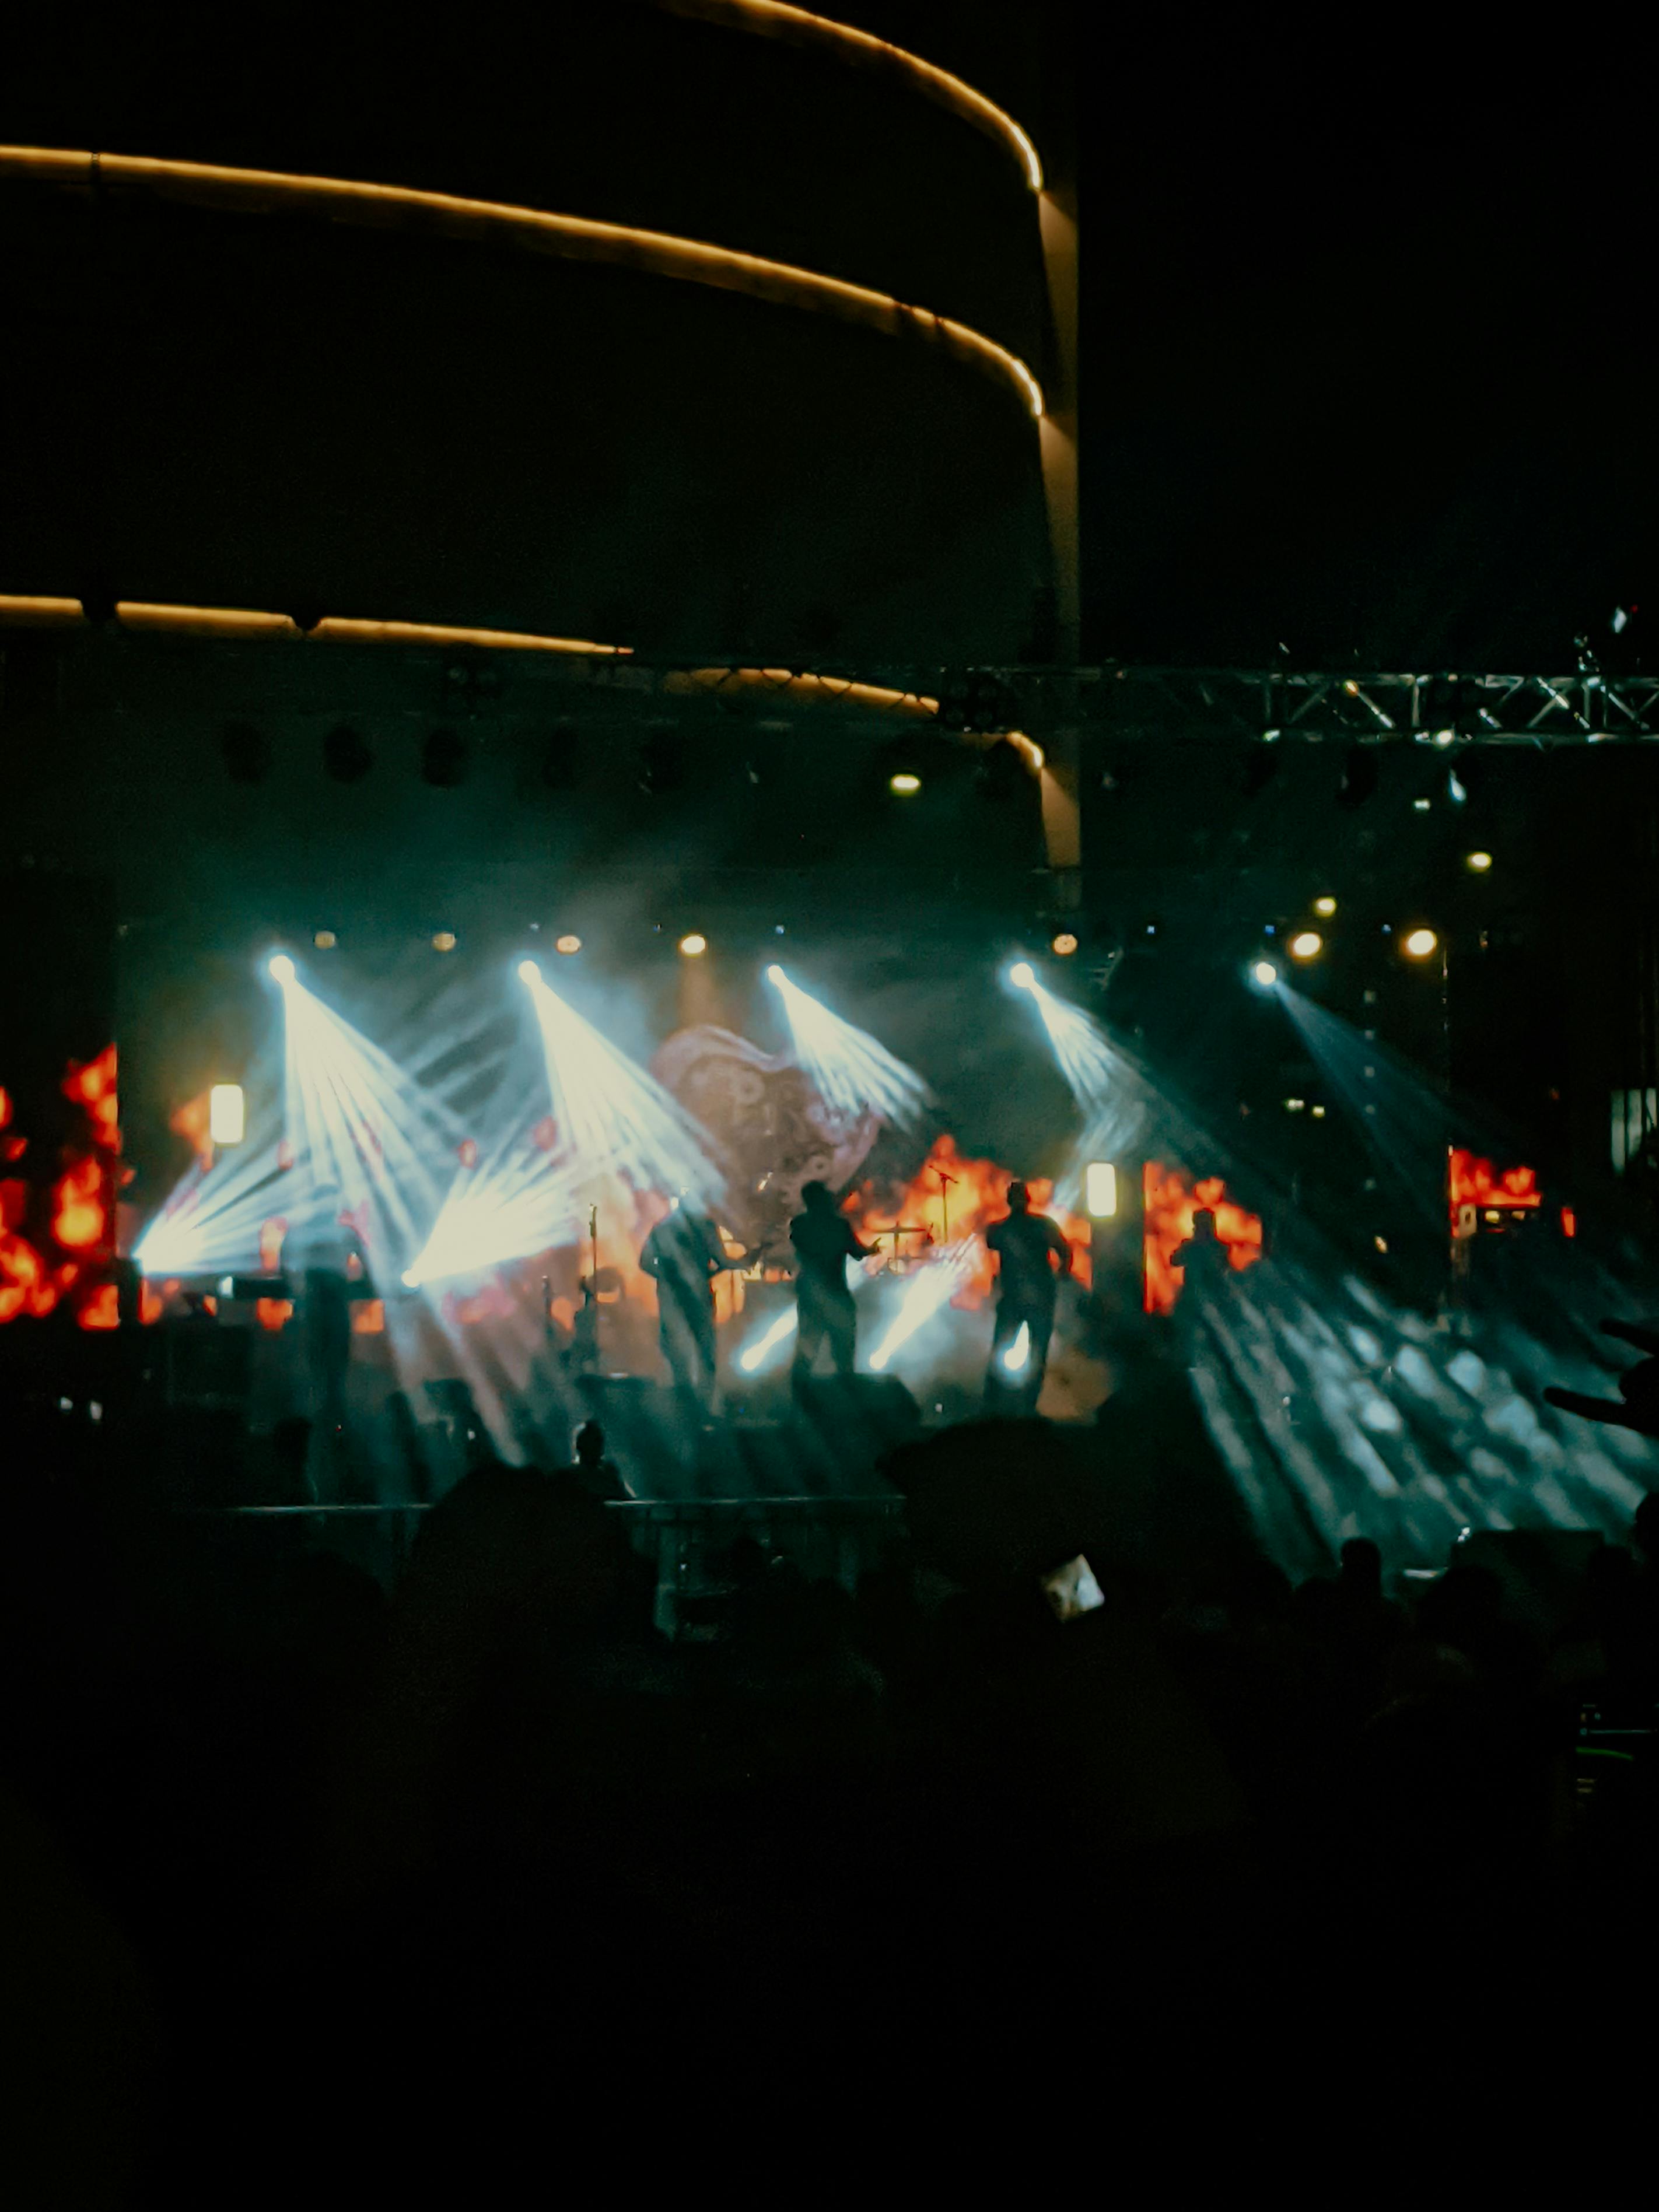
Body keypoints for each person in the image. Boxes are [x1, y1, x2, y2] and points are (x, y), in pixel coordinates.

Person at [640, 1196, 744, 1414]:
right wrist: (744, 1261)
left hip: (672, 1297)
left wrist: (666, 1277)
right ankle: (703, 1401)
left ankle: (683, 1399)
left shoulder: (663, 1228)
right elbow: (723, 1261)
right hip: (697, 1295)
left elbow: (645, 1262)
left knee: (675, 1346)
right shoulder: (704, 1226)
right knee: (703, 1346)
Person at [984, 1180, 1073, 1408]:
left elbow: (991, 1241)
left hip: (1015, 1298)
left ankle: (996, 1402)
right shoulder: (1042, 1226)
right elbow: (1065, 1251)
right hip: (1038, 1297)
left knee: (1003, 1348)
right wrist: (1061, 1274)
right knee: (1036, 1351)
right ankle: (1026, 1402)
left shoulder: (1000, 1230)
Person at [789, 1181, 871, 1387]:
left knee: (807, 1346)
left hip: (810, 1293)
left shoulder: (799, 1224)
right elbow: (858, 1253)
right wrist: (873, 1250)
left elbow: (800, 1248)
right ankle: (848, 1395)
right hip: (836, 1291)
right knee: (843, 1347)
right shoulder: (839, 1225)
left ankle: (799, 1402)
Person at [571, 1420, 630, 1502]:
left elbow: (629, 1501)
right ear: (580, 1445)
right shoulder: (571, 1476)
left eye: (601, 1442)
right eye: (596, 1441)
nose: (601, 1447)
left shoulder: (610, 1472)